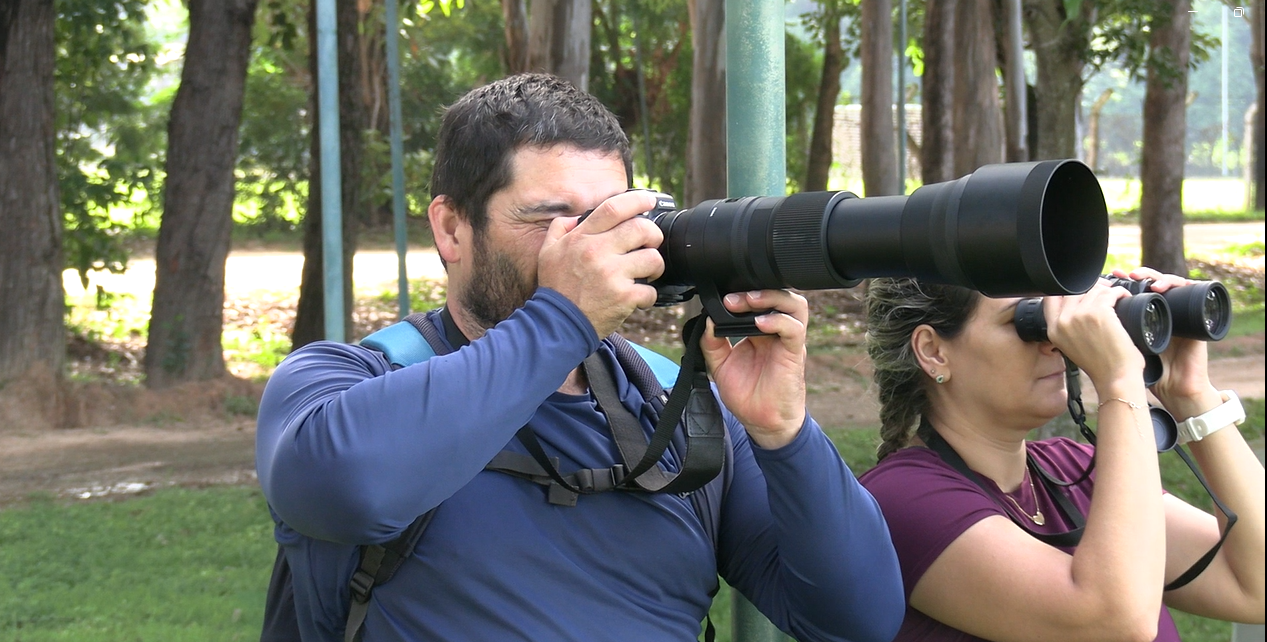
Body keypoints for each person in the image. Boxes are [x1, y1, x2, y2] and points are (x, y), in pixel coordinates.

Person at [255, 73, 904, 642]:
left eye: (604, 220)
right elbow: (344, 489)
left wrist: (783, 433)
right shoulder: (339, 383)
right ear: (451, 228)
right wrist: (565, 317)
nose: (590, 249)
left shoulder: (671, 408)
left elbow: (856, 617)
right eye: (550, 220)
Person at [857, 270, 1265, 641]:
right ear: (933, 352)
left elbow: (1257, 589)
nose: (1057, 340)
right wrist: (1119, 381)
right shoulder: (901, 499)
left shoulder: (1072, 469)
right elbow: (1115, 620)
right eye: (1028, 320)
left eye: (1061, 312)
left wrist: (1191, 395)